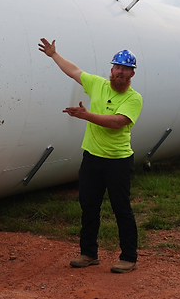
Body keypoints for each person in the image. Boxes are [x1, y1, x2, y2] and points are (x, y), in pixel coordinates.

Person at [37, 38, 143, 273]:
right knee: (89, 206)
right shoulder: (98, 84)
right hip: (92, 158)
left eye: (126, 69)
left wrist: (86, 116)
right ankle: (88, 253)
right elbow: (74, 71)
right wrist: (54, 54)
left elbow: (117, 122)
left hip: (118, 161)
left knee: (121, 208)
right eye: (117, 67)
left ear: (132, 74)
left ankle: (128, 257)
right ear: (111, 70)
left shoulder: (133, 98)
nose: (120, 72)